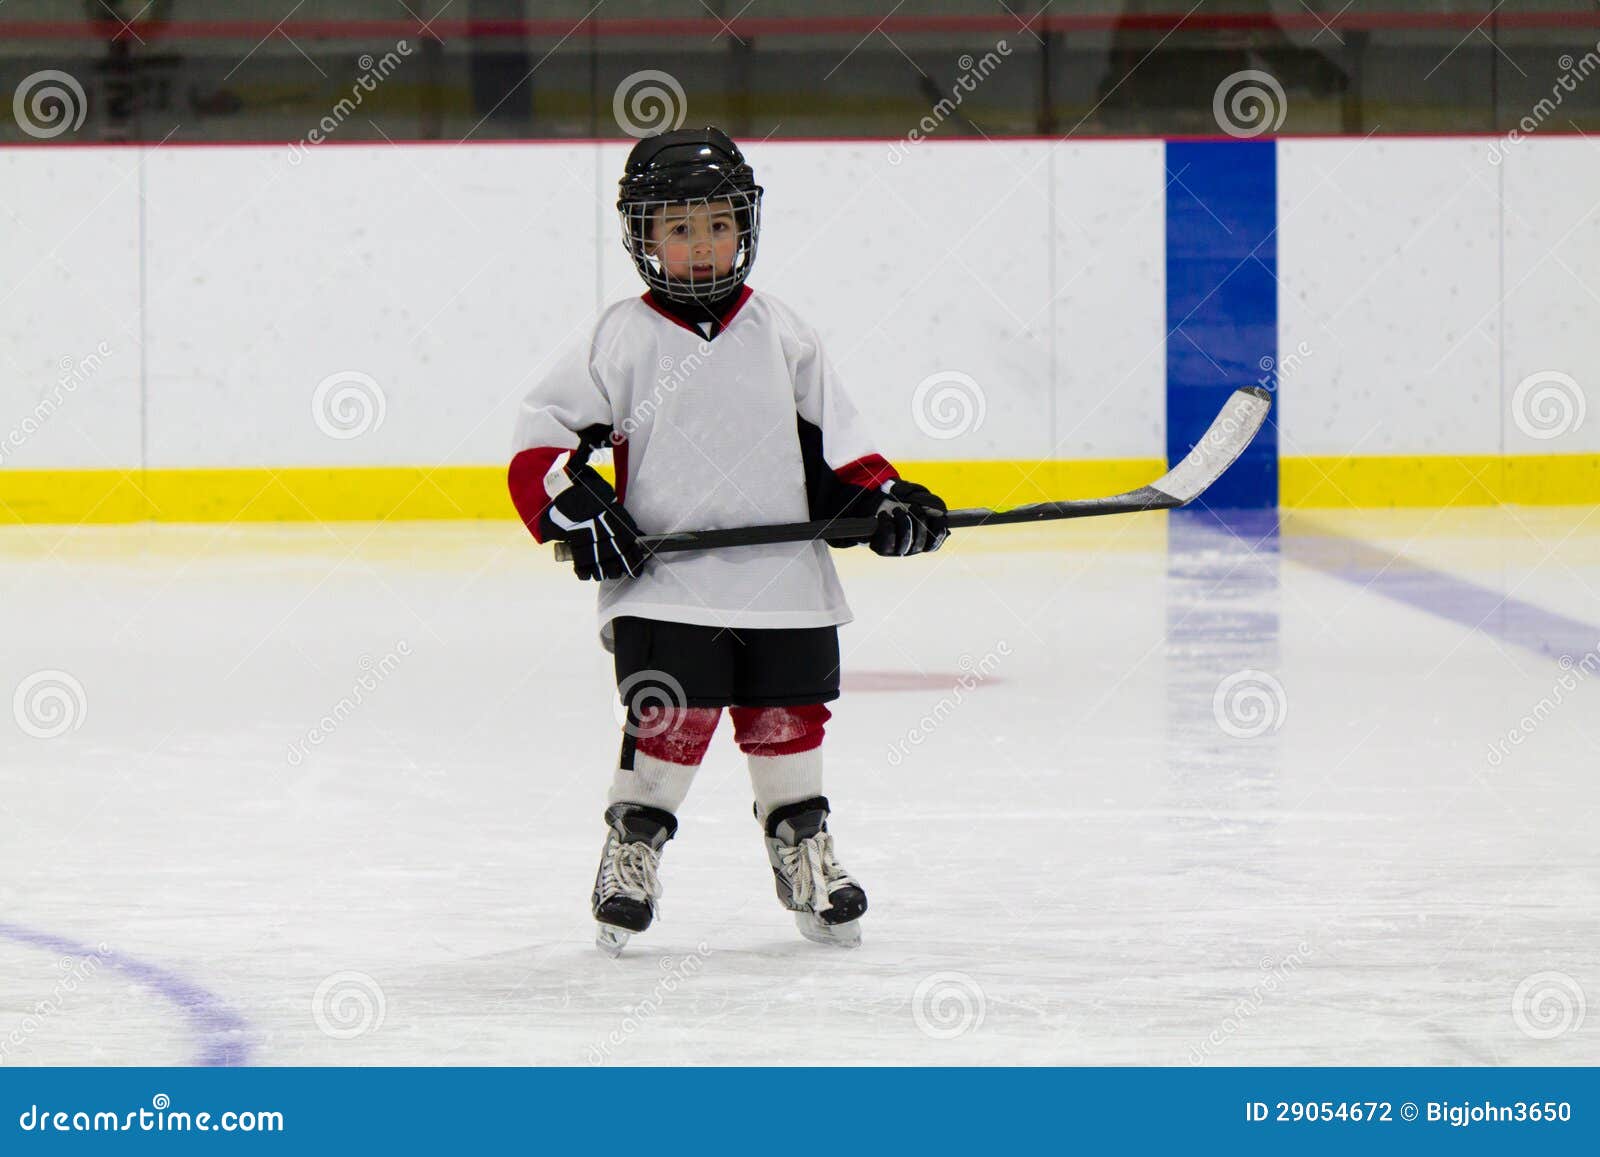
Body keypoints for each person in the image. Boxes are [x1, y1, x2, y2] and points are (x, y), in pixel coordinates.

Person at [508, 126, 949, 955]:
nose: (702, 244)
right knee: (668, 714)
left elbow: (840, 453)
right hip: (668, 587)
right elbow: (542, 446)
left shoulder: (785, 332)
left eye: (716, 223)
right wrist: (579, 507)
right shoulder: (620, 336)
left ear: (745, 224)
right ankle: (633, 847)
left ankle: (803, 848)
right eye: (678, 228)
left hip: (786, 583)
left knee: (790, 717)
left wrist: (887, 504)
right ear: (644, 238)